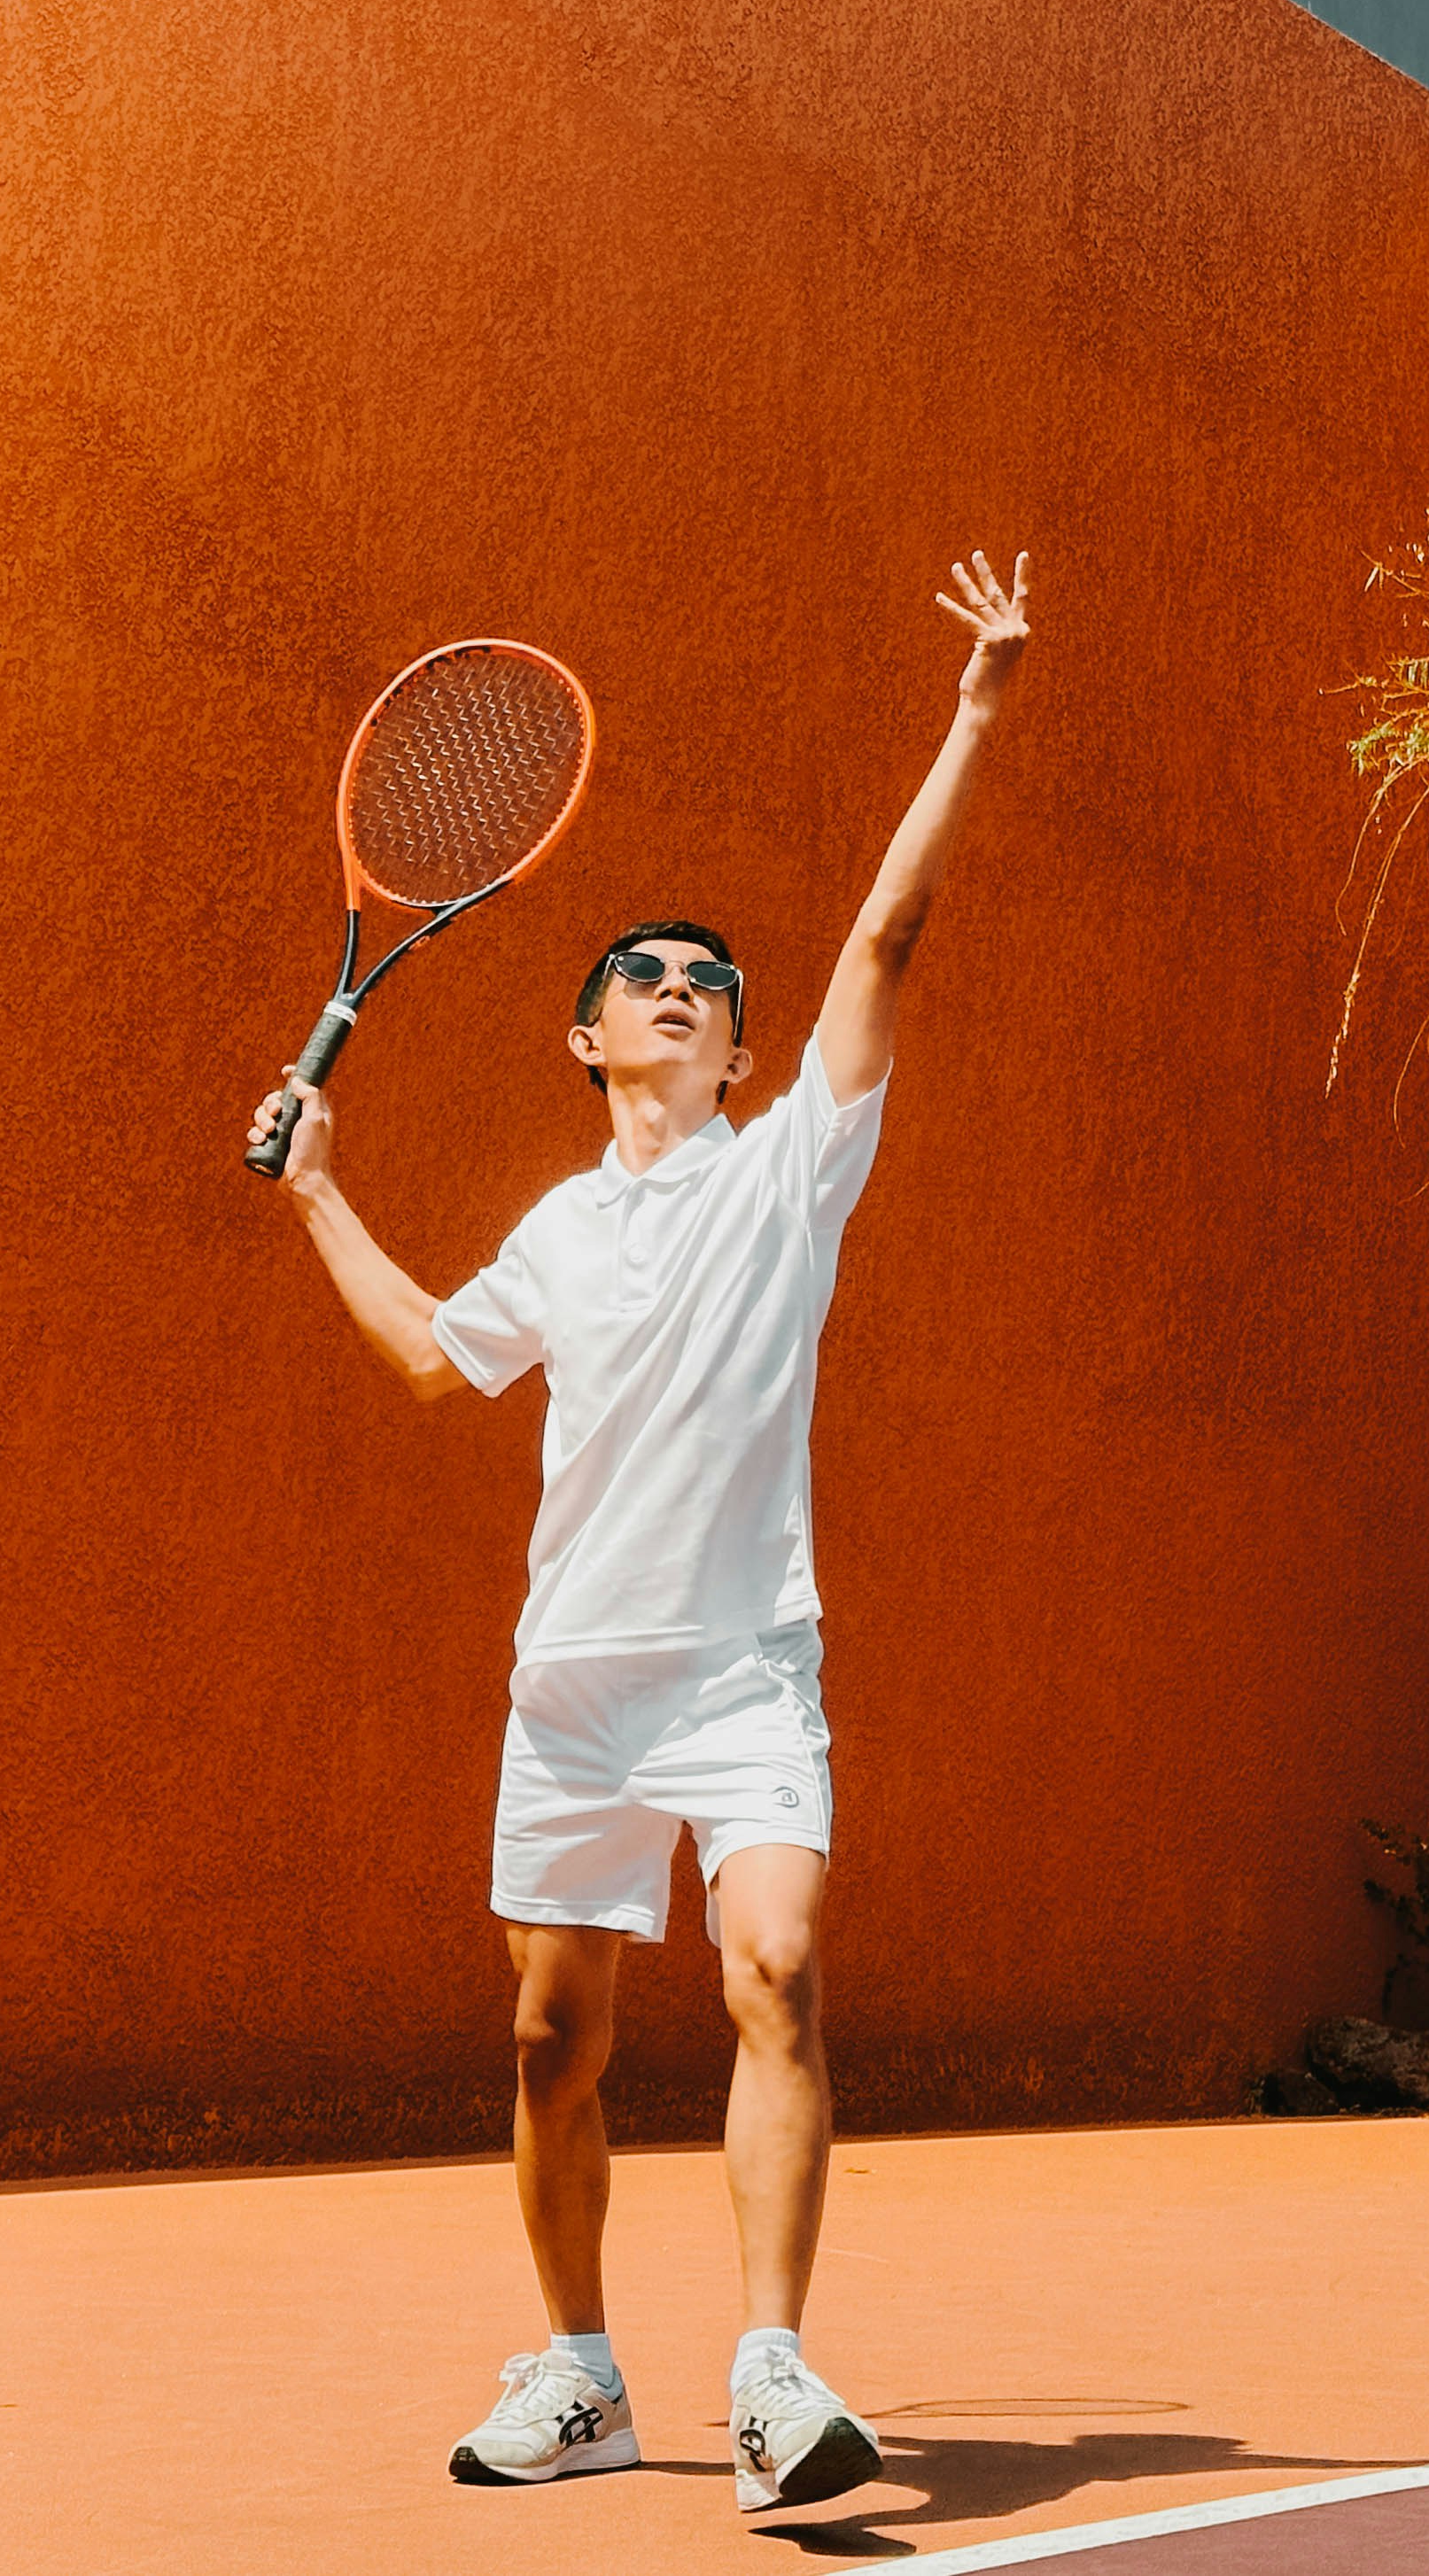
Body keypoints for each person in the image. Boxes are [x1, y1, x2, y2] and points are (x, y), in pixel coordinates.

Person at [247, 549, 1033, 2514]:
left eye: (709, 991)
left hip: (746, 1665)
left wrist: (972, 715)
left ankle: (772, 2371)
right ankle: (582, 2374)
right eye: (644, 983)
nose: (679, 998)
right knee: (546, 2042)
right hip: (574, 1688)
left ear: (743, 1060)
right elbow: (439, 1369)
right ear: (587, 1042)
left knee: (773, 1972)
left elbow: (888, 933)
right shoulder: (560, 1232)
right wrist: (318, 1197)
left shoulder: (790, 1179)